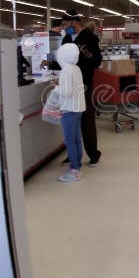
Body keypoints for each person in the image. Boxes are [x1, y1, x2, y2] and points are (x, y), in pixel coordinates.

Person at [61, 10, 103, 166]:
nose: (65, 27)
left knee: (86, 120)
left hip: (84, 84)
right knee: (71, 121)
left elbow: (97, 61)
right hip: (69, 84)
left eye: (66, 24)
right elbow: (62, 60)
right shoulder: (66, 38)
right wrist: (51, 64)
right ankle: (73, 153)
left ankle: (93, 153)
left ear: (74, 22)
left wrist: (88, 56)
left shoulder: (90, 38)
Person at [55, 43, 86, 182]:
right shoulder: (76, 68)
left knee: (69, 140)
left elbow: (66, 92)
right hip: (78, 107)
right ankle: (77, 164)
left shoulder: (65, 71)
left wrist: (56, 88)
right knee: (76, 139)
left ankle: (74, 170)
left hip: (69, 109)